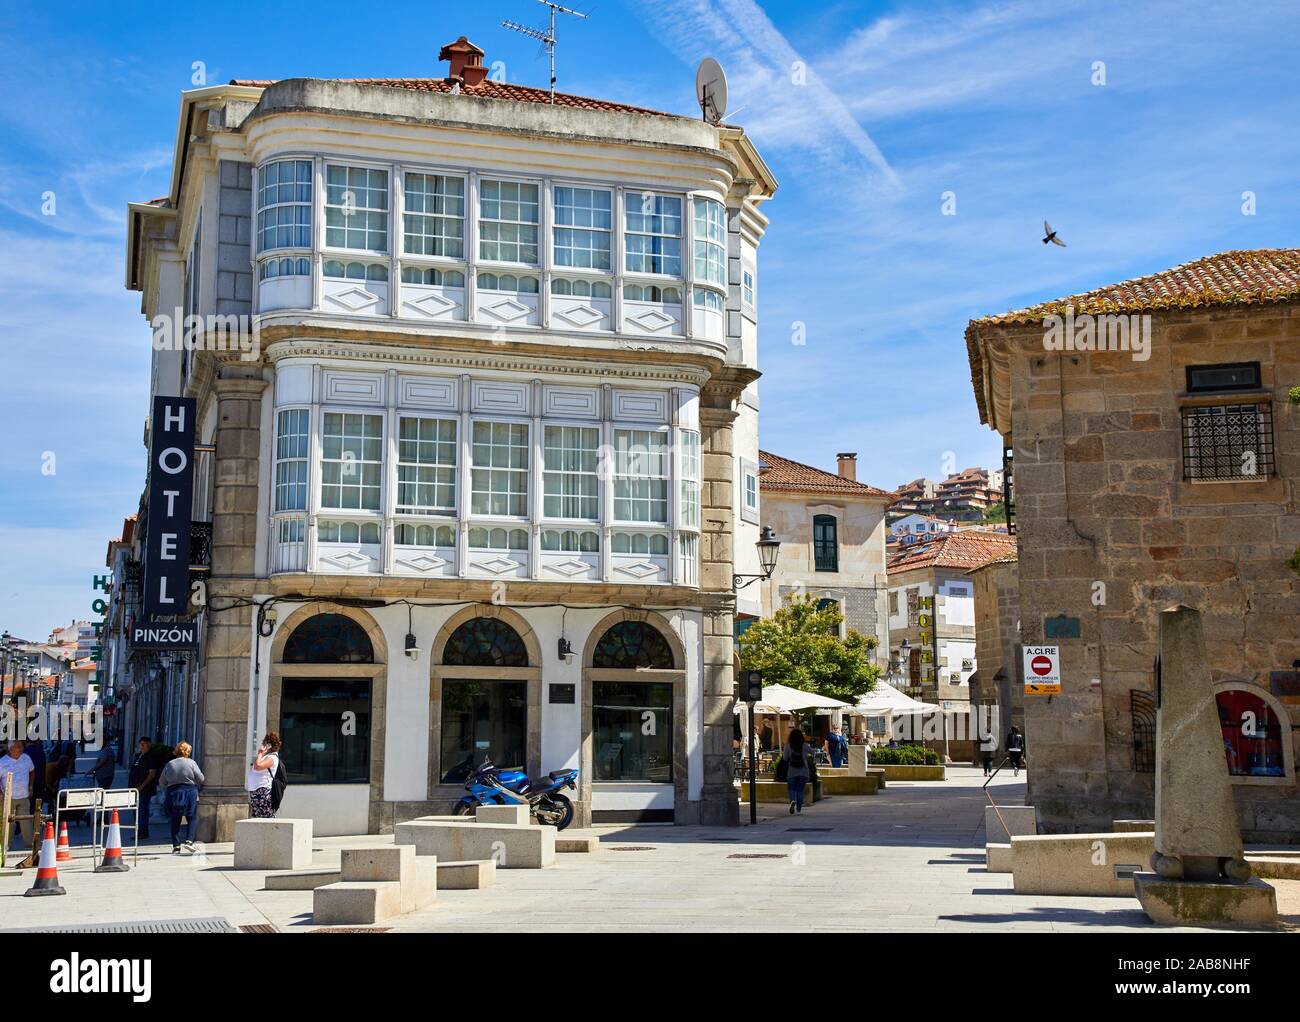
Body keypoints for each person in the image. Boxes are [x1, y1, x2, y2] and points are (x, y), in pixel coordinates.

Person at [159, 741, 204, 853]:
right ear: (188, 752)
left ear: (176, 751)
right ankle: (189, 841)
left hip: (173, 792)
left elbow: (162, 781)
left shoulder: (170, 764)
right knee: (192, 817)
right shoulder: (191, 763)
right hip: (189, 792)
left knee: (175, 818)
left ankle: (176, 846)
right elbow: (201, 779)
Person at [0, 740, 37, 854]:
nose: (21, 749)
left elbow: (32, 771)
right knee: (8, 822)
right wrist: (1, 794)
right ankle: (6, 845)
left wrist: (30, 786)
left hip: (23, 795)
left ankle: (29, 844)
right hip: (8, 797)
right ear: (11, 749)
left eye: (21, 747)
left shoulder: (26, 758)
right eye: (18, 747)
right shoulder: (2, 762)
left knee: (26, 820)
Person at [128, 738, 163, 839]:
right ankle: (138, 831)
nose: (142, 746)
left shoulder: (151, 757)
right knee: (135, 810)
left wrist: (142, 786)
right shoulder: (139, 756)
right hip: (134, 788)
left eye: (144, 744)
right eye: (141, 744)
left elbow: (152, 774)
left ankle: (142, 832)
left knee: (142, 810)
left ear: (149, 745)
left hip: (144, 789)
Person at [246, 733, 281, 819]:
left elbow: (258, 766)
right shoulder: (267, 756)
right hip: (256, 791)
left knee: (265, 819)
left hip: (262, 792)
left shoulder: (272, 758)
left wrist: (260, 753)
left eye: (264, 742)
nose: (262, 744)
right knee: (258, 818)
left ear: (269, 745)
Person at [778, 728, 813, 815]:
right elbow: (813, 752)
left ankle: (792, 801)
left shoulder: (788, 746)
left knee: (791, 788)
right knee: (800, 790)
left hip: (792, 771)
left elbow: (785, 758)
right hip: (803, 771)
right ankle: (799, 809)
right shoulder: (804, 745)